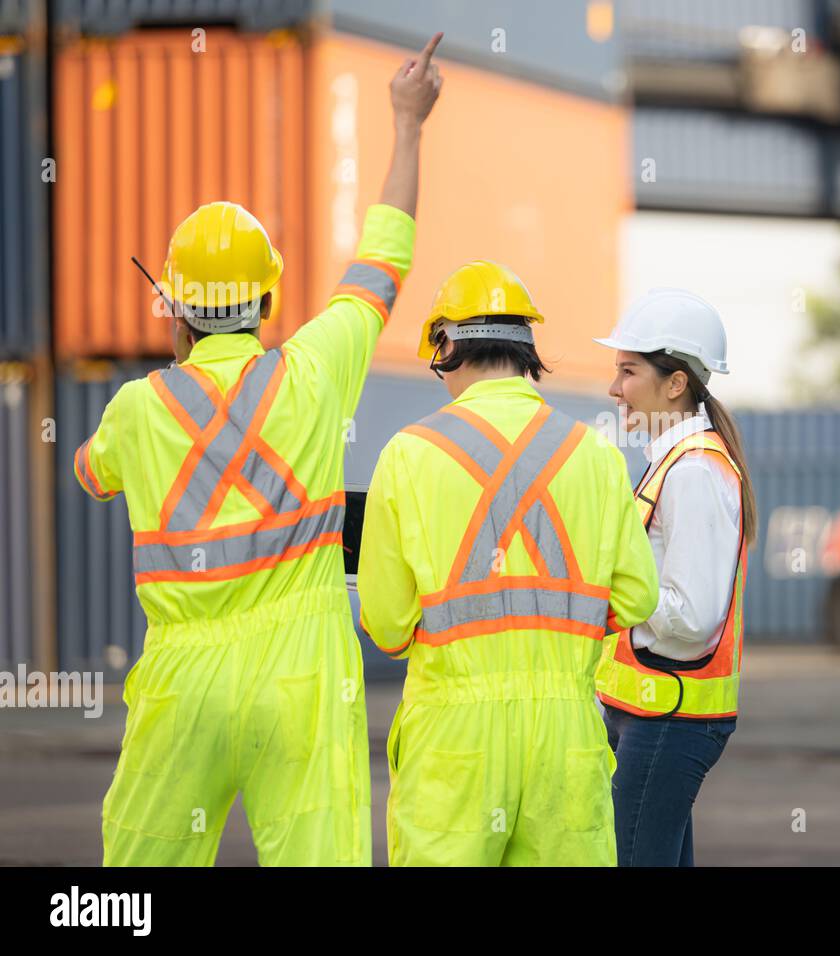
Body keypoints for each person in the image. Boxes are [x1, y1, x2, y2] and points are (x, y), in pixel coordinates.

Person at [73, 33, 445, 866]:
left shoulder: (138, 409)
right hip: (302, 676)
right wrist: (407, 122)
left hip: (185, 685)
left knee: (140, 876)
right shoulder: (315, 371)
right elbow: (383, 263)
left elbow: (88, 472)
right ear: (269, 297)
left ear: (172, 305)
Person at [356, 260, 659, 866]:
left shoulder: (409, 454)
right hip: (565, 744)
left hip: (454, 742)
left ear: (446, 348)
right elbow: (636, 599)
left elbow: (387, 625)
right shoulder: (596, 455)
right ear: (528, 350)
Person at [593, 288, 756, 867]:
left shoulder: (694, 473)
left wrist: (607, 589)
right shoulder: (672, 464)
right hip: (654, 714)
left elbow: (694, 617)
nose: (615, 389)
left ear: (675, 383)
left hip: (670, 719)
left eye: (628, 371)